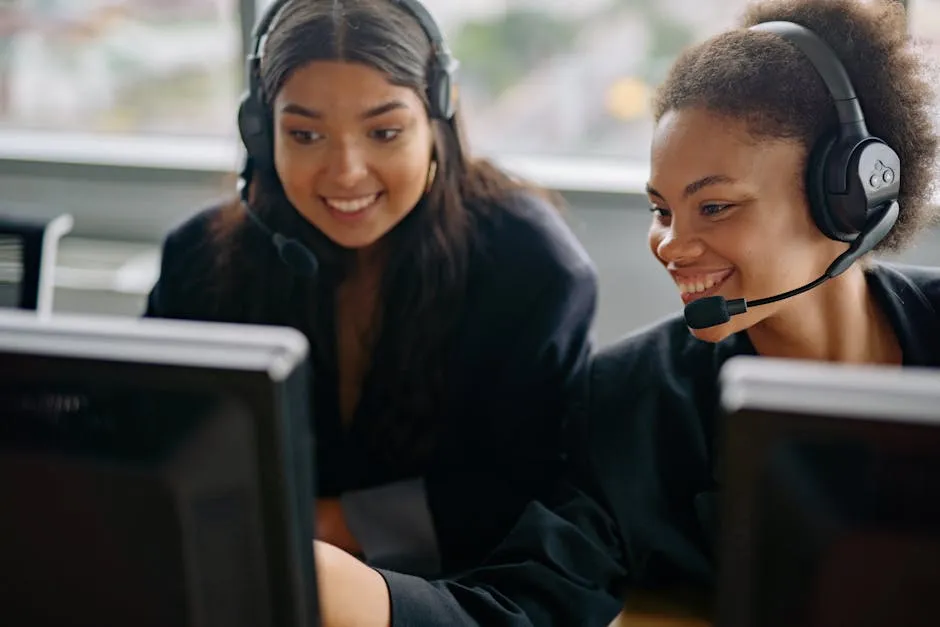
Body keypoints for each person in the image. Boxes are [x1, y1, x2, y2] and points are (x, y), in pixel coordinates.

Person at [308, 0, 940, 625]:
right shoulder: (628, 403)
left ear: (849, 203)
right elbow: (530, 606)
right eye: (662, 211)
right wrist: (349, 592)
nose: (670, 244)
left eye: (714, 207)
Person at [144, 0, 597, 579]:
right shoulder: (198, 258)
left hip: (453, 597)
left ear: (438, 114)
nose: (346, 172)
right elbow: (153, 440)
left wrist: (330, 525)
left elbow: (536, 488)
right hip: (245, 580)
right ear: (259, 132)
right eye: (304, 135)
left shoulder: (533, 267)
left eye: (384, 132)